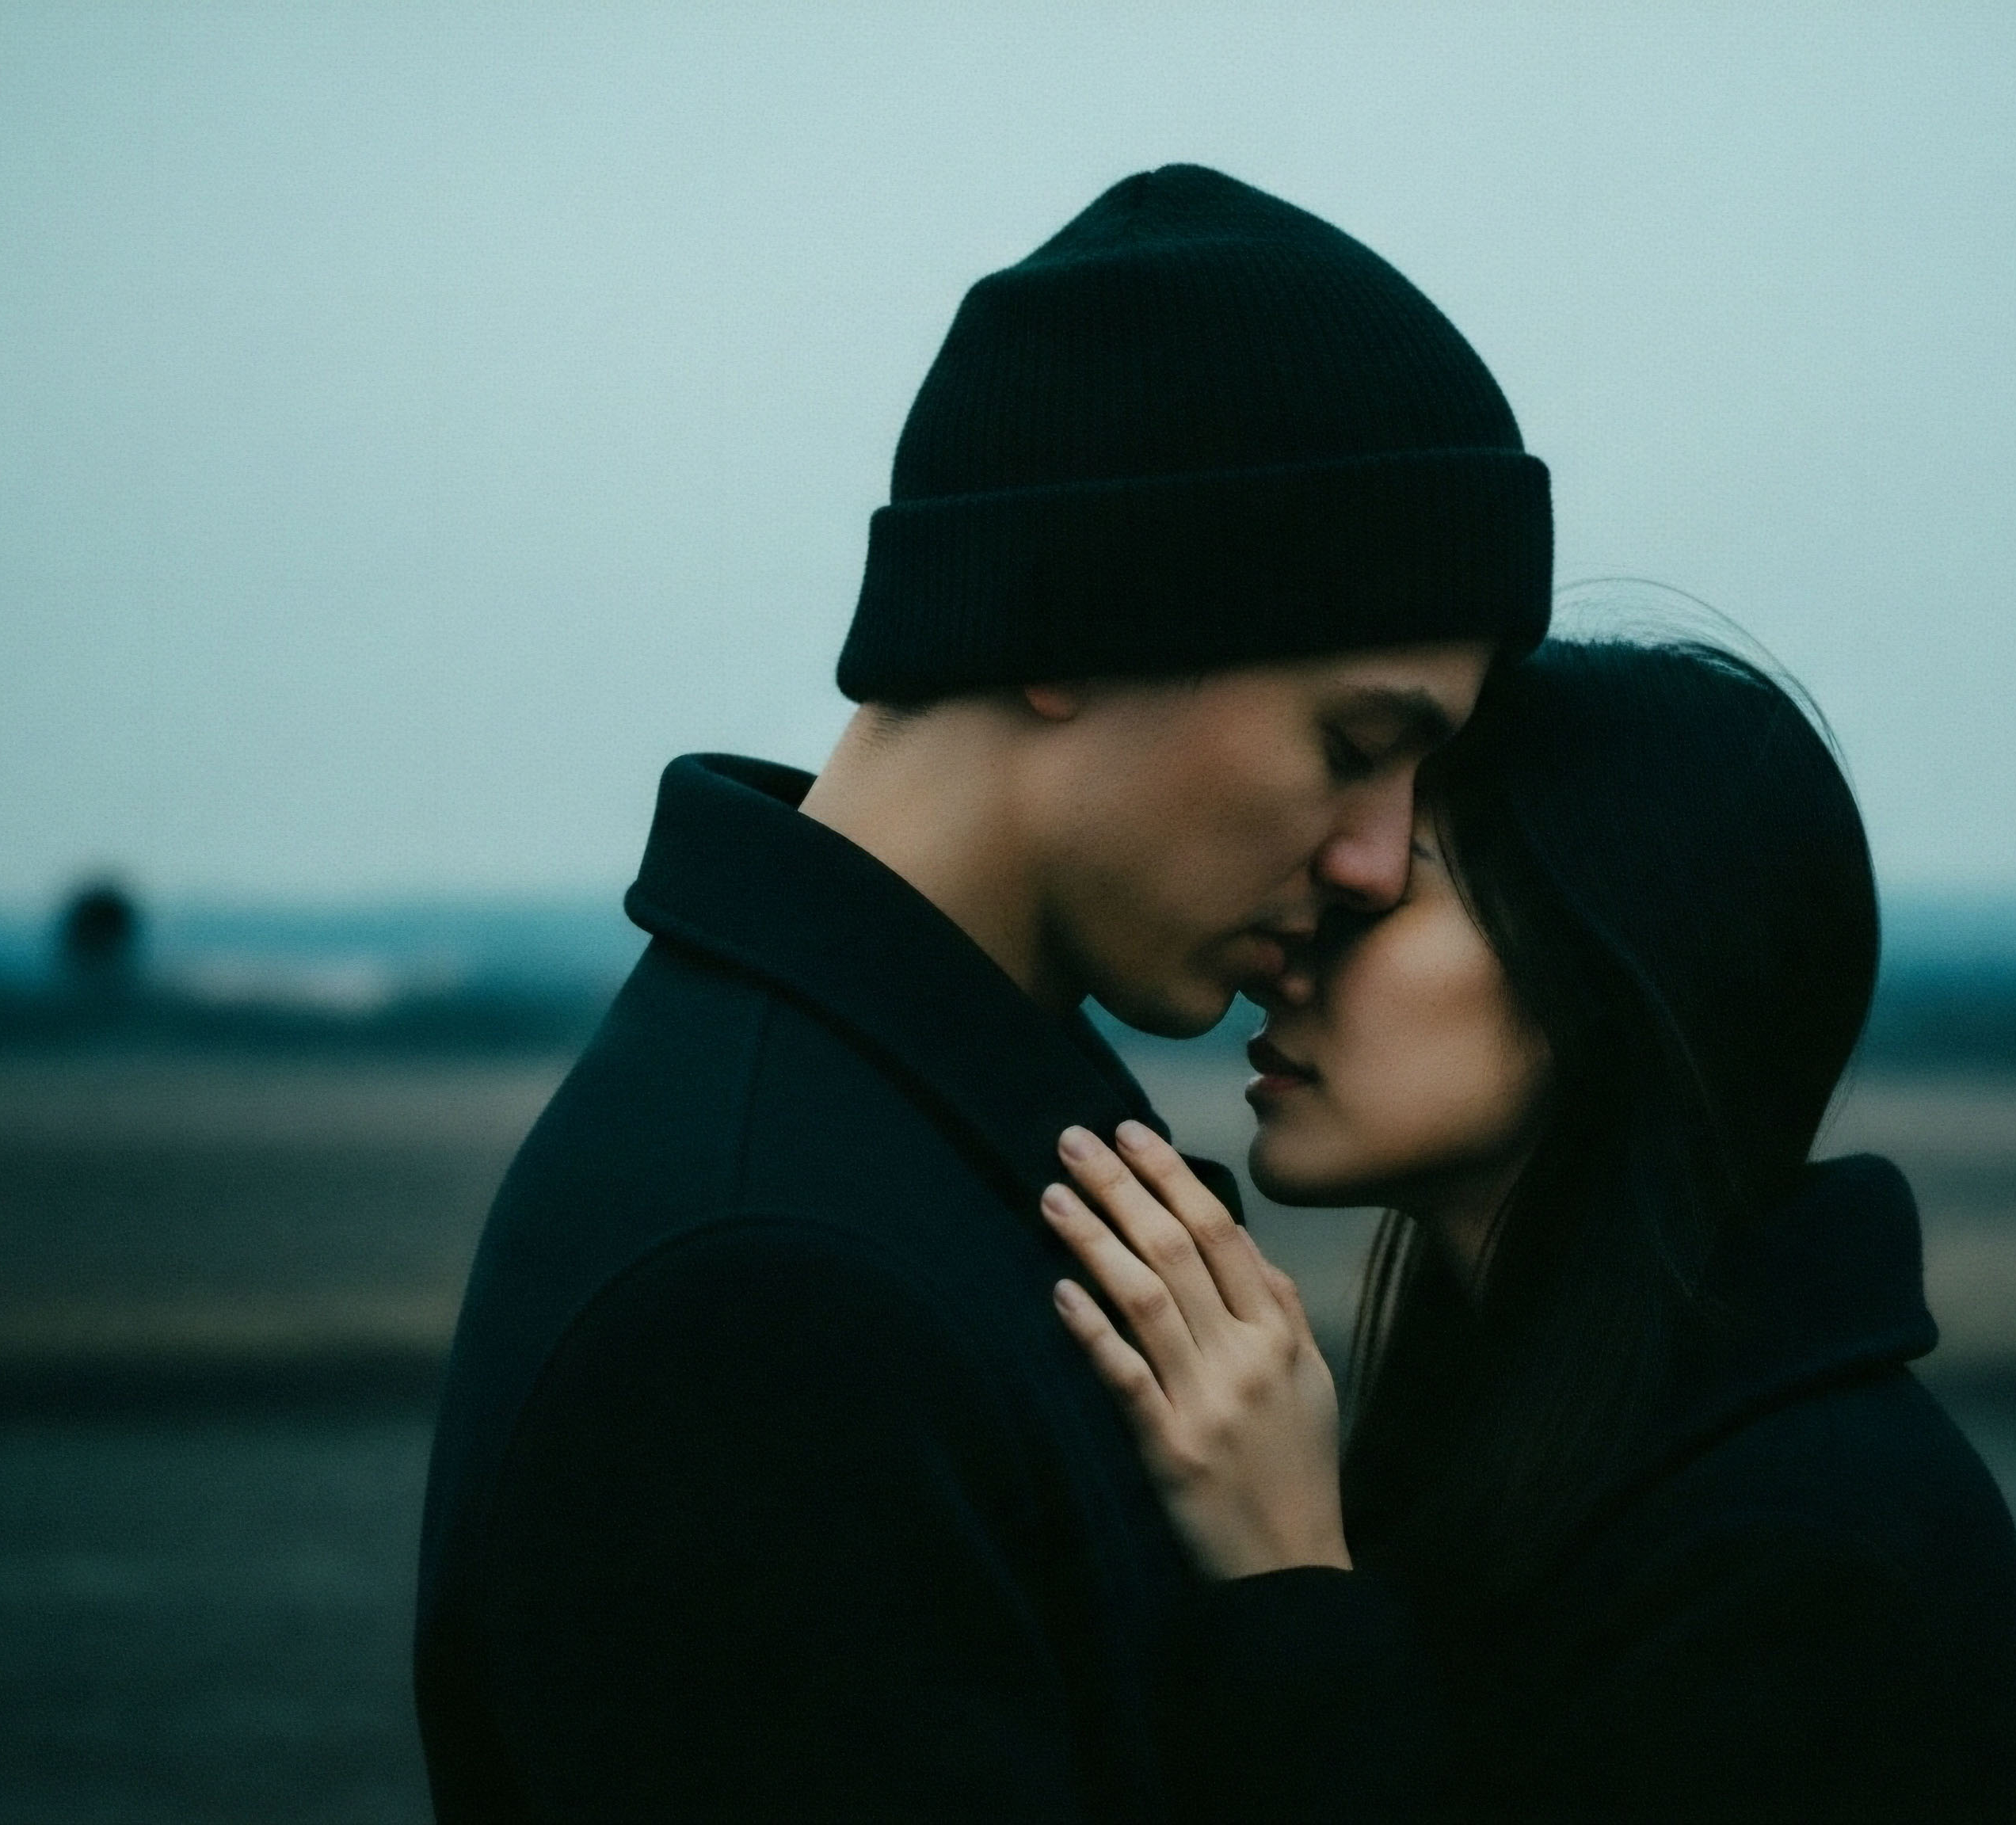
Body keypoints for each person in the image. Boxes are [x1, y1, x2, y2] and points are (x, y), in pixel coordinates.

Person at [413, 166, 1550, 1820]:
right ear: (1078, 605)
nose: (1379, 862)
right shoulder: (767, 1293)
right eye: (1354, 747)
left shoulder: (895, 1147)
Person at [1038, 638, 2016, 1822]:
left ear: (1606, 961)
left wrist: (1292, 1586)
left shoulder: (1809, 1550)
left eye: (1382, 900)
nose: (1288, 964)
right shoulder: (1526, 1455)